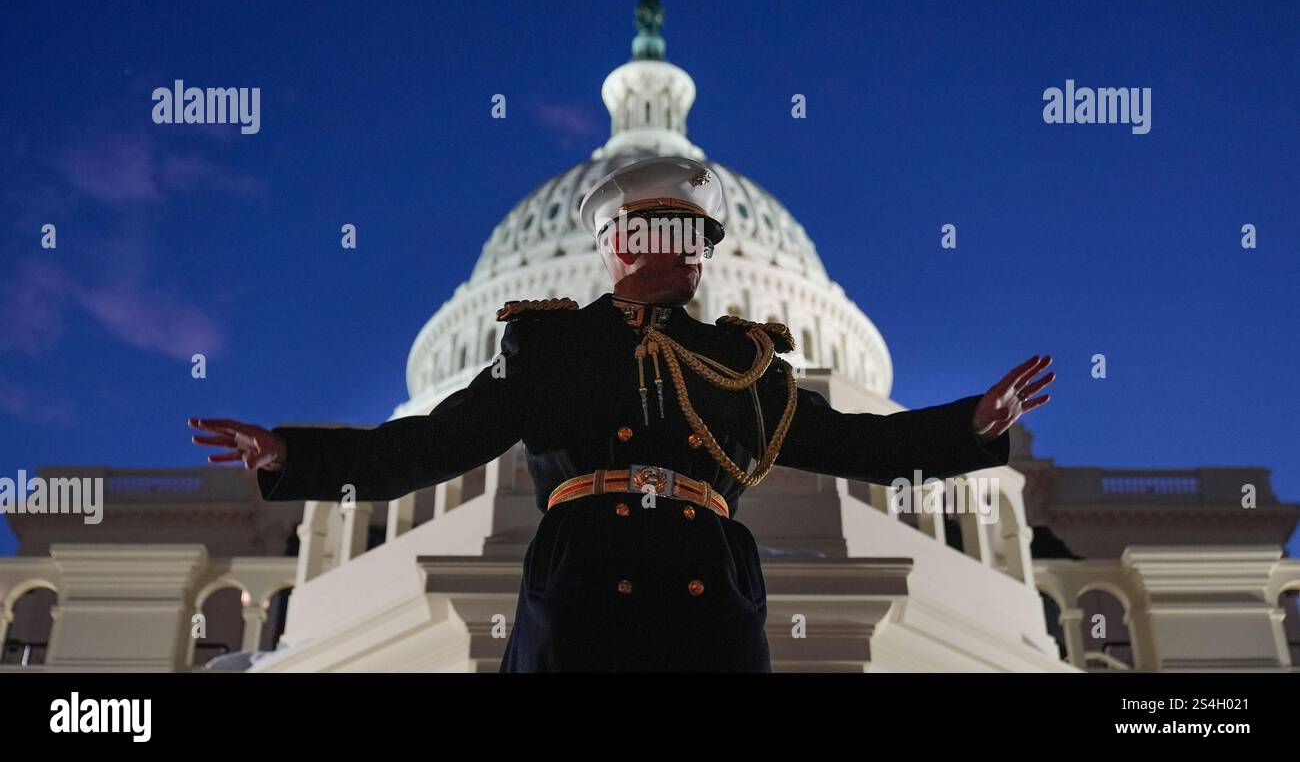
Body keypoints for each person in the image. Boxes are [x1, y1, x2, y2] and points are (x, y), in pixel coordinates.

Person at [190, 155, 1054, 672]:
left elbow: (853, 443)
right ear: (618, 246)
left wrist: (969, 427)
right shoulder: (552, 350)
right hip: (585, 581)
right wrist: (293, 457)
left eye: (700, 240)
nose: (692, 255)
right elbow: (433, 445)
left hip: (706, 584)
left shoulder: (741, 363)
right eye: (672, 236)